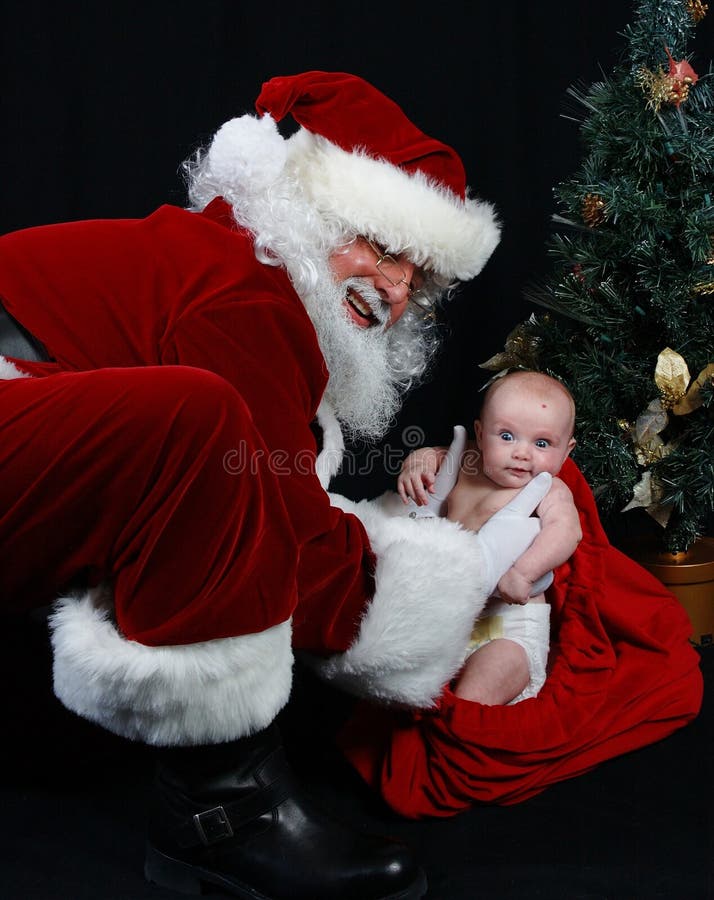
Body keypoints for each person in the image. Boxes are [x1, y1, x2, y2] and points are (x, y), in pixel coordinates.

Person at [0, 71, 552, 900]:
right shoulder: (242, 290)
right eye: (380, 245)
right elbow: (284, 520)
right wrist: (431, 590)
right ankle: (228, 814)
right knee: (197, 422)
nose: (397, 287)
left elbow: (264, 508)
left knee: (208, 444)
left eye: (419, 276)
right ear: (308, 212)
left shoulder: (228, 277)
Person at [397, 370, 582, 705]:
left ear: (566, 452)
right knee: (401, 681)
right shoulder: (468, 462)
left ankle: (463, 727)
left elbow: (567, 531)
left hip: (507, 624)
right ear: (481, 435)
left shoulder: (548, 489)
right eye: (507, 436)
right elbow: (431, 455)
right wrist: (417, 465)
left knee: (477, 691)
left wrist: (523, 573)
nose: (522, 453)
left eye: (542, 443)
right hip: (447, 617)